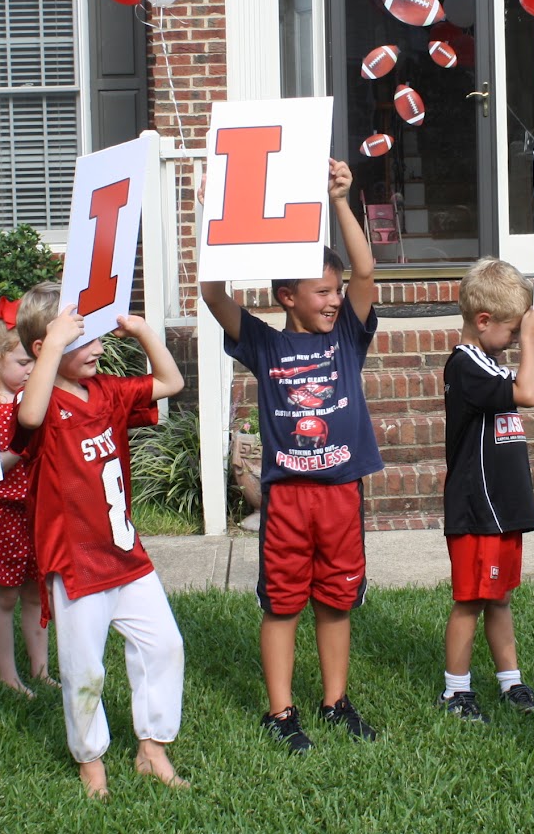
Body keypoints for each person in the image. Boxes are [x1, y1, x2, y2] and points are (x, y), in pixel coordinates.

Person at [199, 159, 381, 753]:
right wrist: (214, 217)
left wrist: (341, 202)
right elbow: (211, 292)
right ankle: (281, 713)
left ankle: (335, 702)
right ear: (287, 296)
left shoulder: (346, 337)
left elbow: (366, 269)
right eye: (321, 292)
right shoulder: (264, 342)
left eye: (335, 292)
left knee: (335, 600)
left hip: (340, 494)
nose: (333, 300)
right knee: (282, 605)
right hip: (286, 500)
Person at [14, 283, 187, 797]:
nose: (95, 347)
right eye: (79, 340)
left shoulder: (107, 391)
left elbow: (171, 381)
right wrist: (50, 344)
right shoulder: (41, 406)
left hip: (124, 552)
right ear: (46, 350)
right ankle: (91, 761)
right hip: (75, 563)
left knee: (164, 645)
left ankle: (152, 748)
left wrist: (142, 331)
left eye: (93, 337)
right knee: (84, 666)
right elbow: (27, 414)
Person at [438, 257, 534, 723]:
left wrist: (519, 334)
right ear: (484, 321)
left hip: (502, 507)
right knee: (469, 600)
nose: (516, 336)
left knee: (499, 597)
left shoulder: (487, 360)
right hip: (475, 509)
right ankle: (455, 691)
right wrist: (531, 340)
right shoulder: (466, 366)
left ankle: (510, 680)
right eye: (511, 328)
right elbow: (528, 394)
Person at [0, 310, 52, 697]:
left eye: (35, 362)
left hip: (37, 511)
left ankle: (40, 671)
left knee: (37, 593)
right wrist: (20, 448)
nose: (31, 370)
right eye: (23, 362)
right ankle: (7, 675)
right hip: (3, 515)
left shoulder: (31, 402)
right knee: (5, 596)